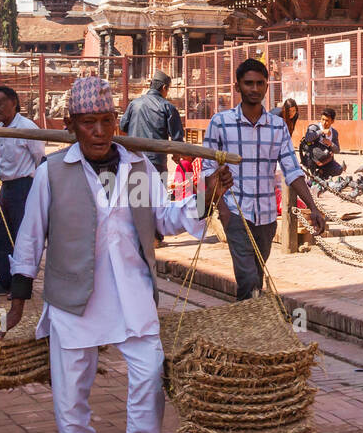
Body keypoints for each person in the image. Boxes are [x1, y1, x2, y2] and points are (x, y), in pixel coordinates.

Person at [0, 77, 232, 433]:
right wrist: (17, 305)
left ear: (115, 121)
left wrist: (203, 199)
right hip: (73, 299)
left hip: (132, 292)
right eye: (88, 123)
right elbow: (30, 238)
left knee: (150, 379)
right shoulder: (54, 173)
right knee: (71, 393)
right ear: (71, 125)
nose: (98, 131)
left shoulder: (135, 169)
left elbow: (161, 220)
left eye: (105, 121)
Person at [201, 58, 327, 302]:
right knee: (248, 280)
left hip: (267, 216)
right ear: (237, 86)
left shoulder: (278, 126)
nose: (254, 89)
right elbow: (207, 170)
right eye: (248, 83)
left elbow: (292, 170)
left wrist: (313, 207)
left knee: (256, 277)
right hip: (236, 213)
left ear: (267, 87)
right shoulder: (220, 122)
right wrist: (222, 209)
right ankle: (251, 328)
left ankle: (250, 330)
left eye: (260, 83)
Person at [0, 85, 43, 296]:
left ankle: (21, 285)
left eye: (0, 104)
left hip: (24, 187)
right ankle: (4, 280)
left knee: (22, 237)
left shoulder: (27, 128)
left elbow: (38, 158)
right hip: (7, 187)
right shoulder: (1, 128)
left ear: (14, 103)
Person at [118, 70, 184, 175]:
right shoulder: (167, 107)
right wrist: (176, 154)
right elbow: (177, 138)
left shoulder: (134, 104)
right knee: (158, 191)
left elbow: (123, 126)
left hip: (133, 160)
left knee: (136, 191)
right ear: (164, 88)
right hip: (156, 162)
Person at [301, 107, 343, 179]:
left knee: (338, 169)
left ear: (332, 121)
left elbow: (337, 150)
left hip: (325, 160)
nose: (324, 122)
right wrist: (321, 132)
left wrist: (331, 144)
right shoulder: (314, 128)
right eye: (322, 119)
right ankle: (315, 176)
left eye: (327, 120)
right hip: (312, 159)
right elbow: (308, 138)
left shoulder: (334, 133)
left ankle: (321, 175)